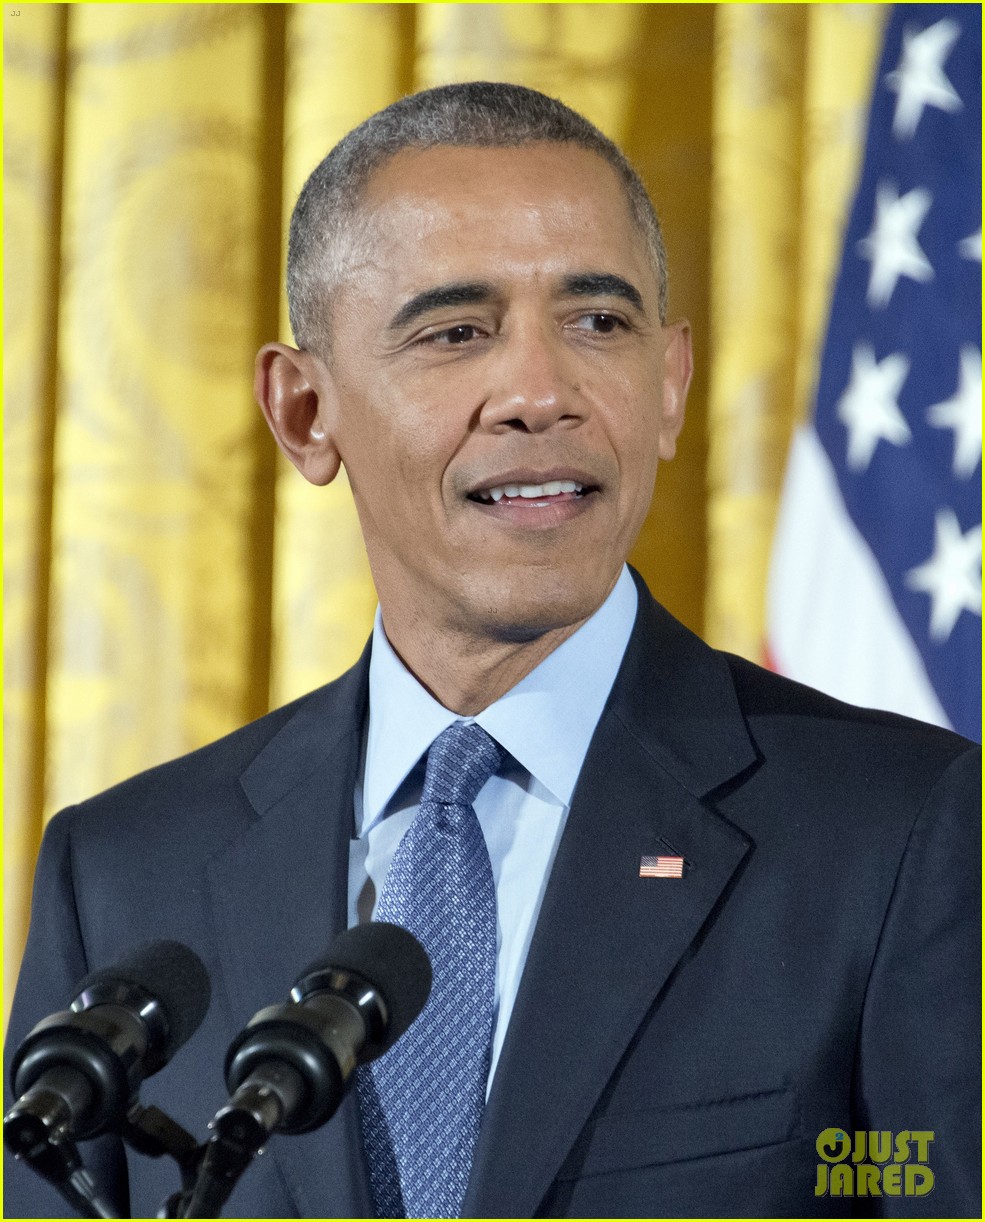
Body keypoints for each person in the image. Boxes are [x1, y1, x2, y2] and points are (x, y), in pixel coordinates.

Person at [4, 82, 979, 1220]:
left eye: (597, 322)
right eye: (456, 331)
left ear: (668, 387)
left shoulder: (898, 832)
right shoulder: (122, 870)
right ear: (305, 413)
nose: (538, 391)